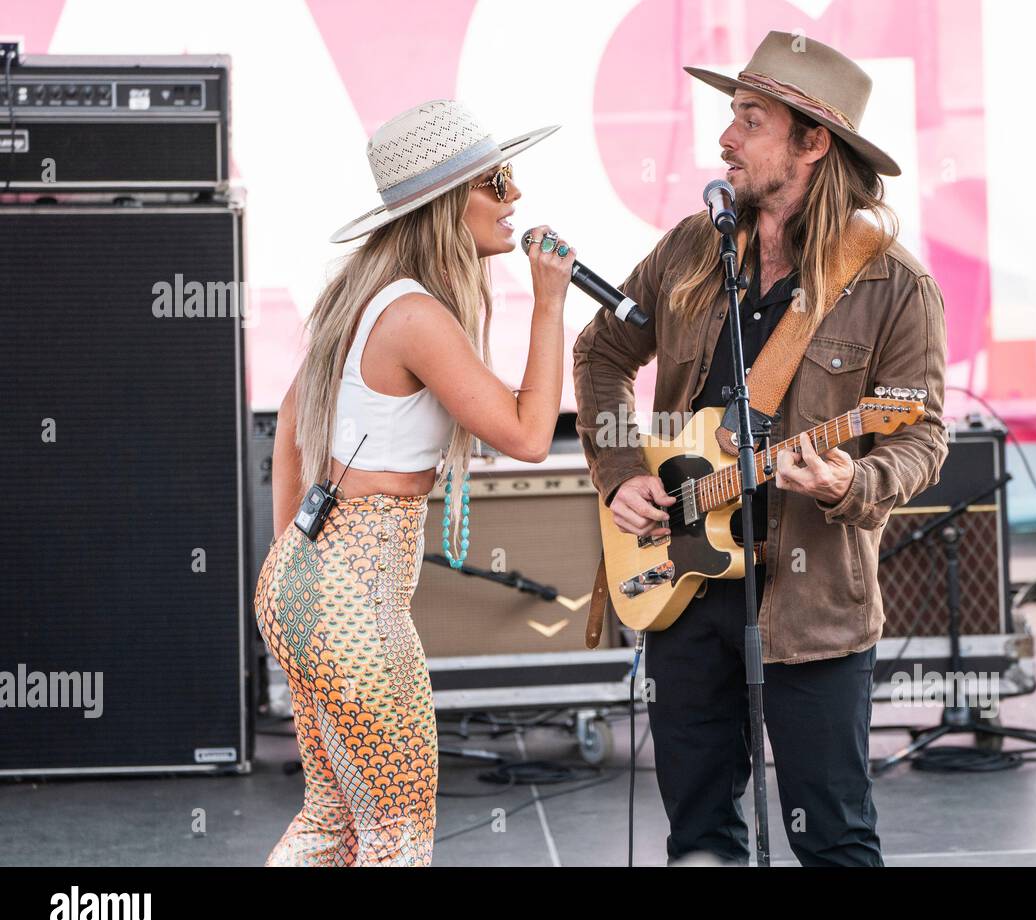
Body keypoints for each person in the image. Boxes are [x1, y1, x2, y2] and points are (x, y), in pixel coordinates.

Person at [572, 32, 949, 865]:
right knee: (699, 835)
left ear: (814, 144)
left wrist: (856, 480)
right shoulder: (689, 249)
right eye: (731, 115)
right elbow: (600, 353)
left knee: (836, 840)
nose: (725, 139)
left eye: (750, 119)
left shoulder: (894, 286)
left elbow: (921, 433)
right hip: (679, 586)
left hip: (813, 612)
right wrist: (620, 472)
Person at [253, 99, 572, 865]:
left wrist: (297, 565)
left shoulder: (364, 294)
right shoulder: (418, 316)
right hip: (350, 597)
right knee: (397, 837)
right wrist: (551, 301)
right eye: (497, 182)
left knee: (333, 822)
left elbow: (292, 433)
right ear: (445, 205)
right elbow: (530, 435)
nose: (515, 197)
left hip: (305, 580)